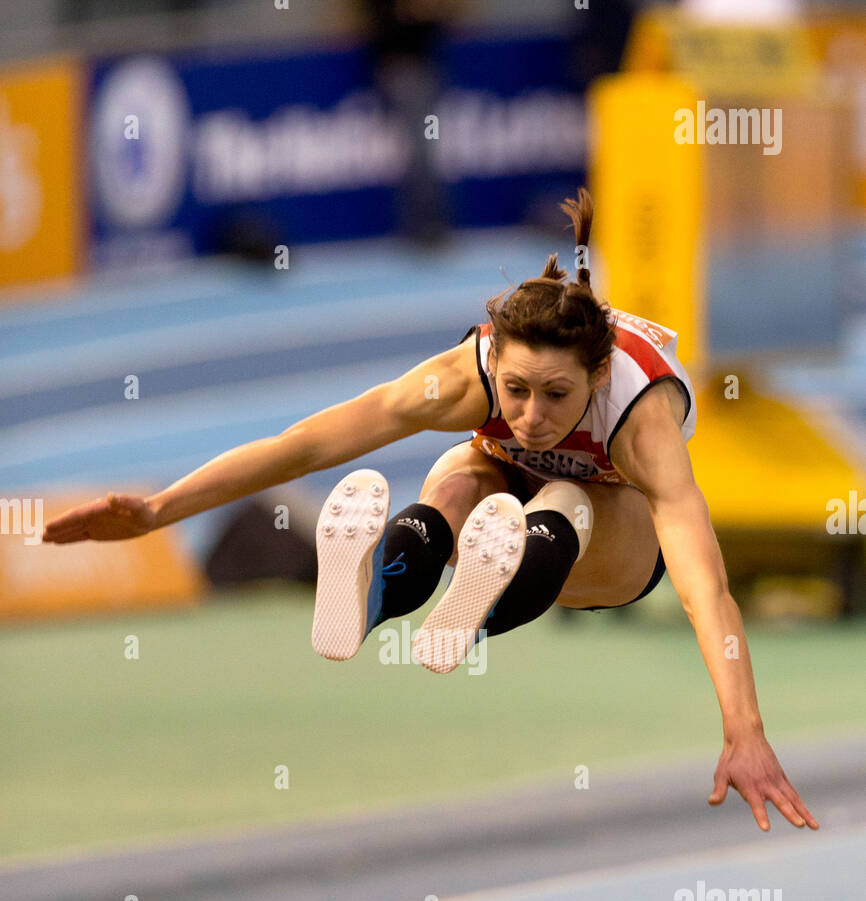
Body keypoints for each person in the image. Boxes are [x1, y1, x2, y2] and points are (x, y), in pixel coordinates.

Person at [43, 189, 818, 834]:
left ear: (599, 374)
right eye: (515, 390)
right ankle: (369, 598)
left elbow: (704, 590)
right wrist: (160, 509)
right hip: (500, 497)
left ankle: (477, 607)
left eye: (557, 395)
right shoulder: (463, 378)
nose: (533, 414)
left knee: (565, 496)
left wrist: (743, 730)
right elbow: (304, 445)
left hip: (610, 547)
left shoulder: (638, 413)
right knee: (454, 476)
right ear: (494, 363)